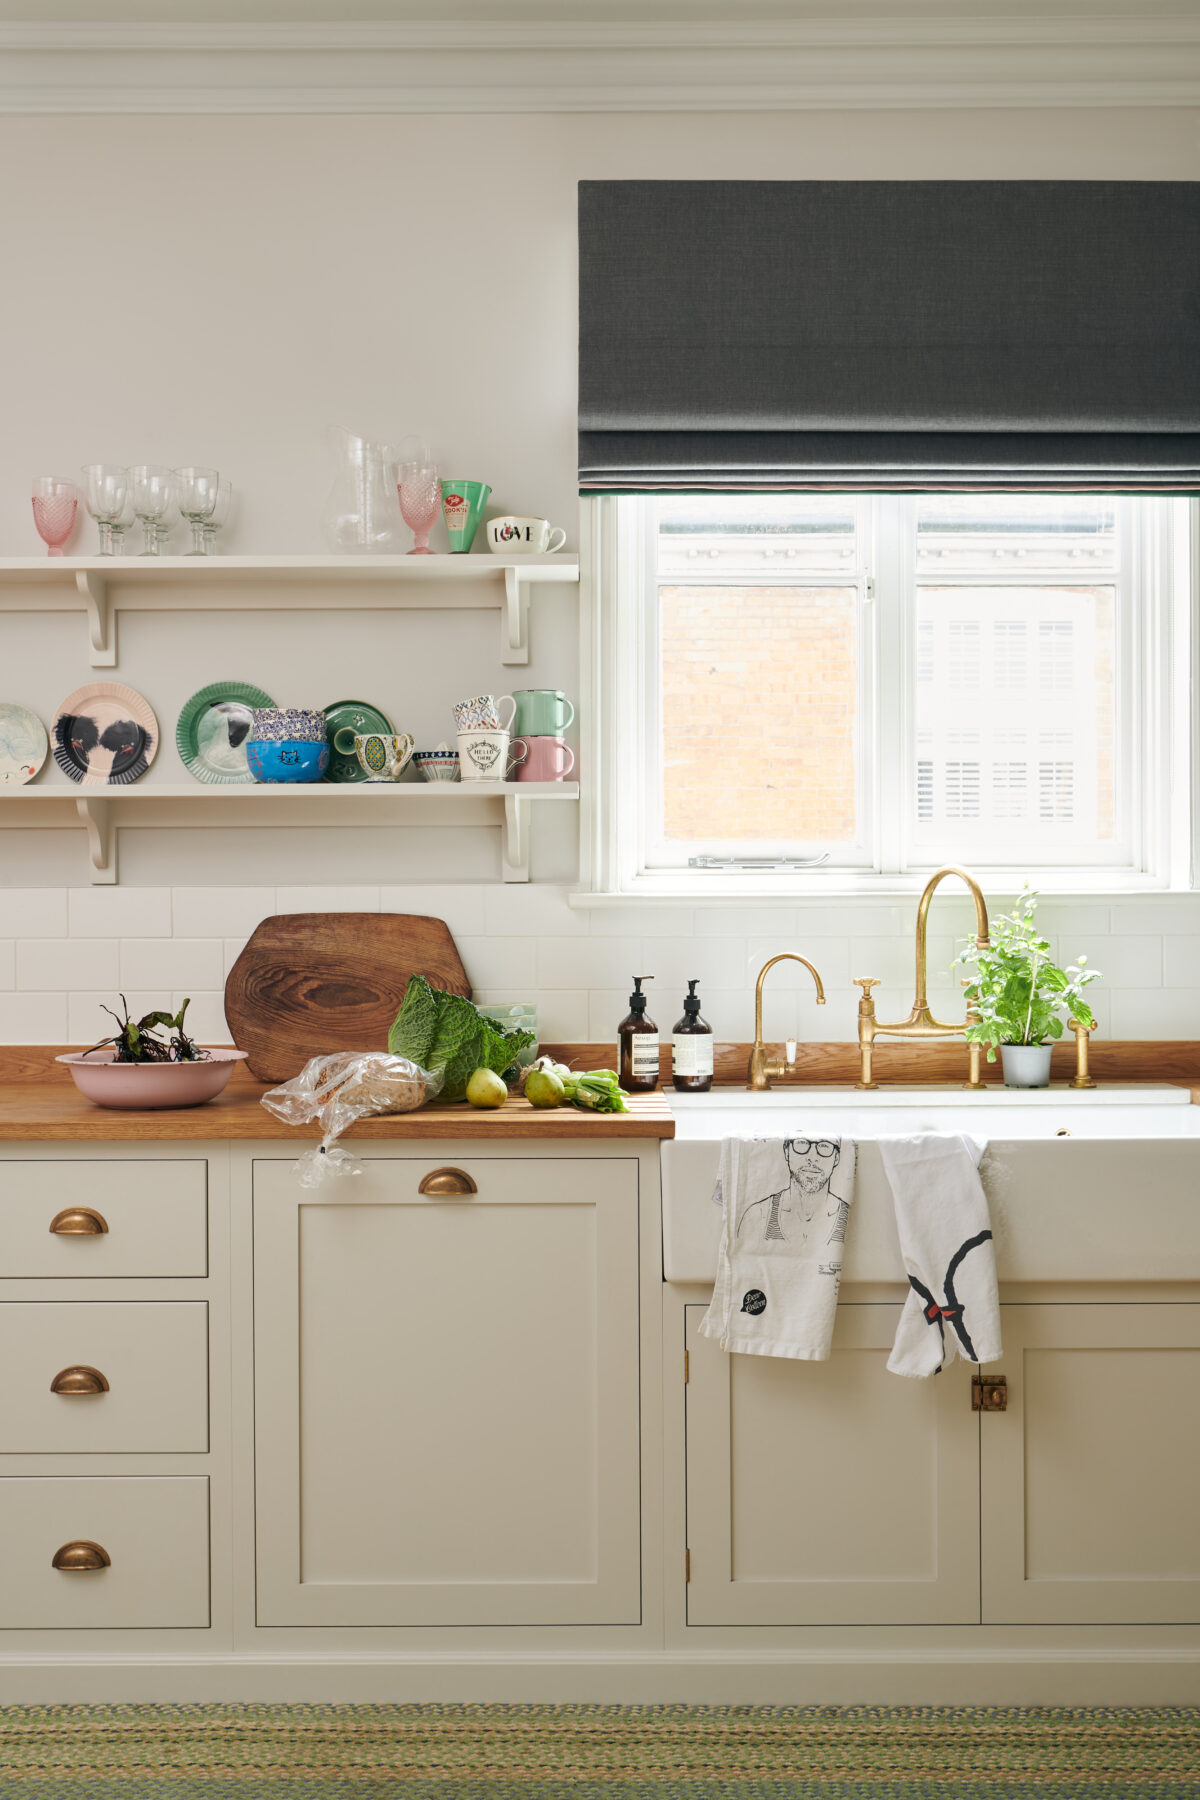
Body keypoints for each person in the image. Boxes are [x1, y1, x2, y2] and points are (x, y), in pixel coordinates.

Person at [736, 1136, 845, 1244]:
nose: (812, 1157)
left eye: (824, 1145)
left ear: (836, 1158)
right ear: (787, 1151)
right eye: (802, 1143)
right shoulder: (757, 1216)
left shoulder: (851, 1220)